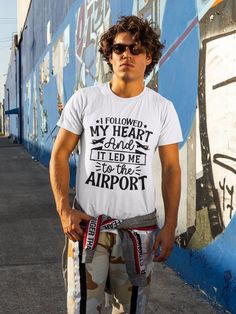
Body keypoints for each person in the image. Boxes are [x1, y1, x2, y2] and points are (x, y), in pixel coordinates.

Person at [50, 15, 182, 314]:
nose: (127, 55)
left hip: (139, 234)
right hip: (88, 230)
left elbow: (172, 169)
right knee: (84, 309)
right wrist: (63, 210)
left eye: (136, 49)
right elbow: (59, 154)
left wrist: (170, 225)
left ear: (149, 57)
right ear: (110, 54)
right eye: (120, 48)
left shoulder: (161, 109)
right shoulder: (84, 100)